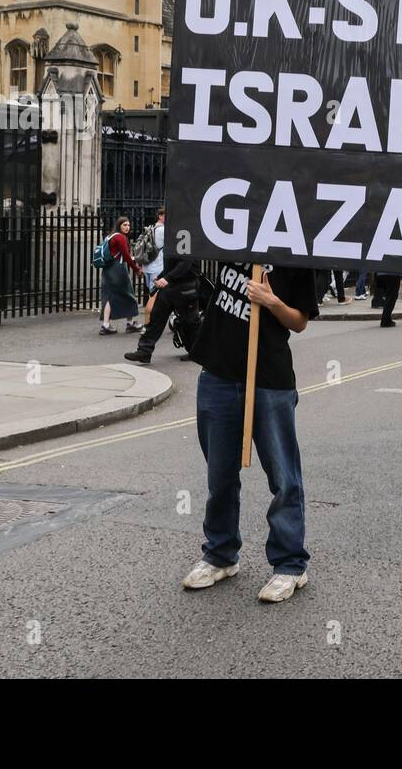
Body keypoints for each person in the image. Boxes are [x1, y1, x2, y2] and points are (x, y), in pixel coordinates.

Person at [181, 262, 319, 603]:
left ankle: (290, 565)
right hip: (218, 374)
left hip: (269, 379)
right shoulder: (233, 232)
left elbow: (299, 321)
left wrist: (271, 301)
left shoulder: (297, 251)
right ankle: (220, 554)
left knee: (284, 477)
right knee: (220, 474)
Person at [123, 224, 200, 365]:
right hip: (171, 287)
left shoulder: (188, 236)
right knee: (156, 317)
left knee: (190, 321)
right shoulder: (173, 237)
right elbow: (172, 266)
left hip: (185, 286)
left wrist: (167, 278)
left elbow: (186, 263)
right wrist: (161, 277)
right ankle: (144, 351)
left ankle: (196, 352)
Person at [99, 217, 144, 335]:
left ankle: (105, 325)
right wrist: (137, 270)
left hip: (107, 270)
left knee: (109, 297)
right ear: (119, 226)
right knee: (127, 294)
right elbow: (127, 256)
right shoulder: (121, 237)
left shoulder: (109, 236)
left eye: (128, 225)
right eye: (124, 225)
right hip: (118, 269)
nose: (127, 227)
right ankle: (130, 323)